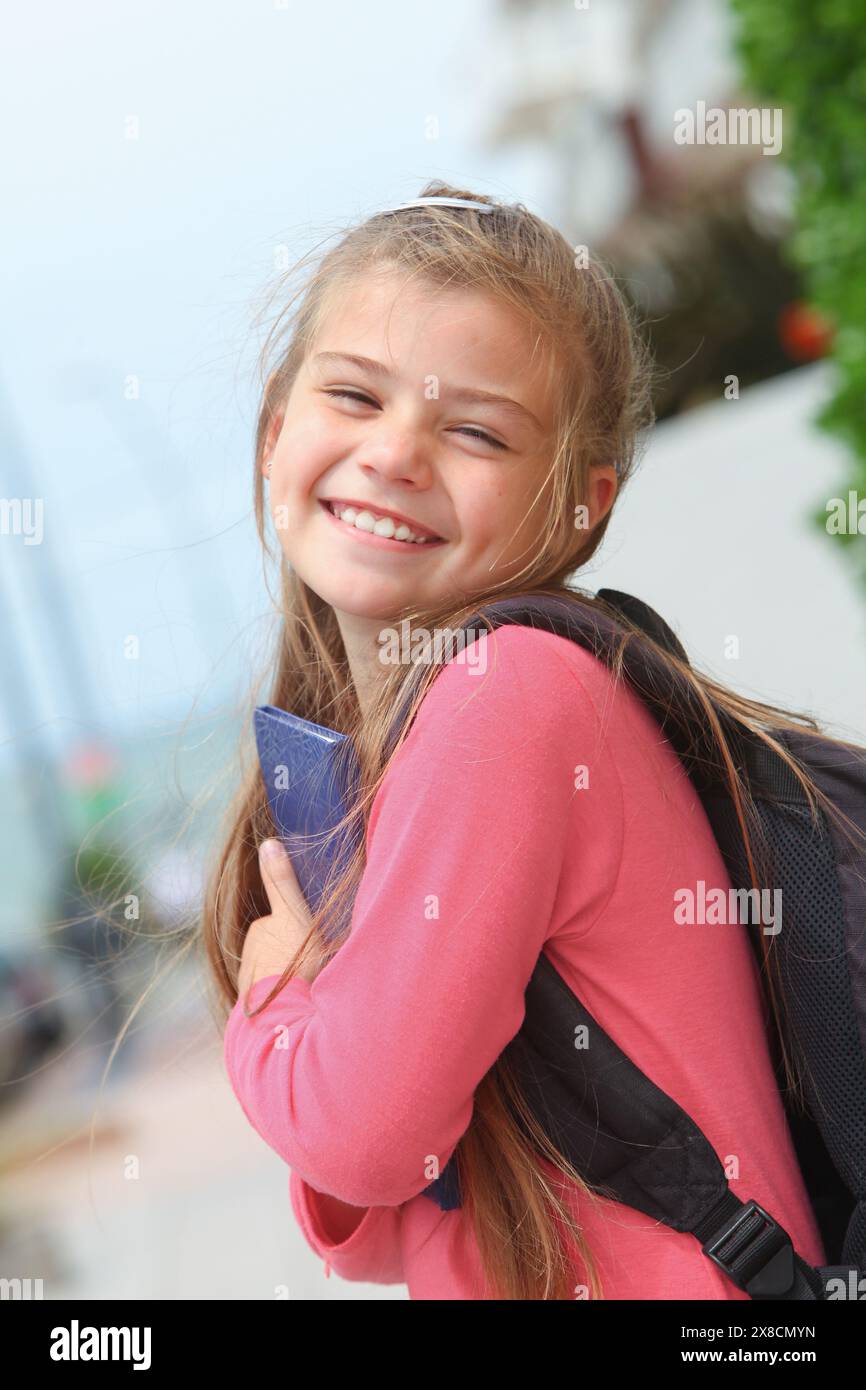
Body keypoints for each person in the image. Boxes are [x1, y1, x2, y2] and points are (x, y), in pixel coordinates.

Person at [211, 182, 833, 1300]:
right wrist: (325, 1058)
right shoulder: (402, 745)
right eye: (353, 394)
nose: (396, 453)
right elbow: (388, 1225)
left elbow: (364, 1137)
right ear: (274, 433)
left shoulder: (508, 697)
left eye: (474, 430)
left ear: (579, 507)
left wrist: (275, 1007)